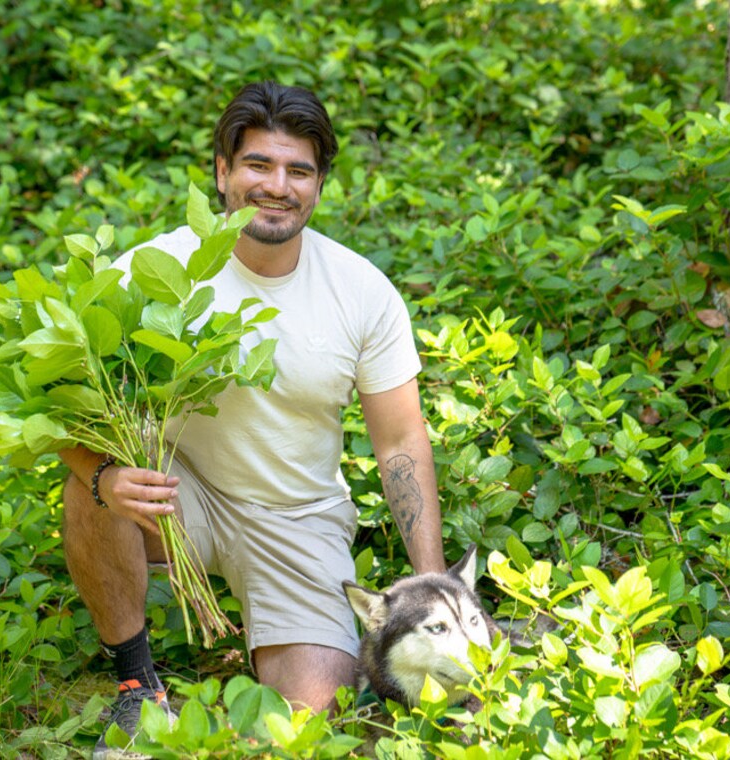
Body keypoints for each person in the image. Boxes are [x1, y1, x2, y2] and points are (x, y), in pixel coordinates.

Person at [59, 81, 444, 757]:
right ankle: (136, 688)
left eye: (298, 170)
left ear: (320, 184)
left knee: (309, 715)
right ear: (222, 173)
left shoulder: (360, 292)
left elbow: (401, 441)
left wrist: (432, 585)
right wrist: (103, 479)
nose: (278, 185)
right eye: (258, 165)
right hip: (179, 496)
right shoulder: (157, 270)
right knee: (96, 487)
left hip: (297, 517)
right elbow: (64, 404)